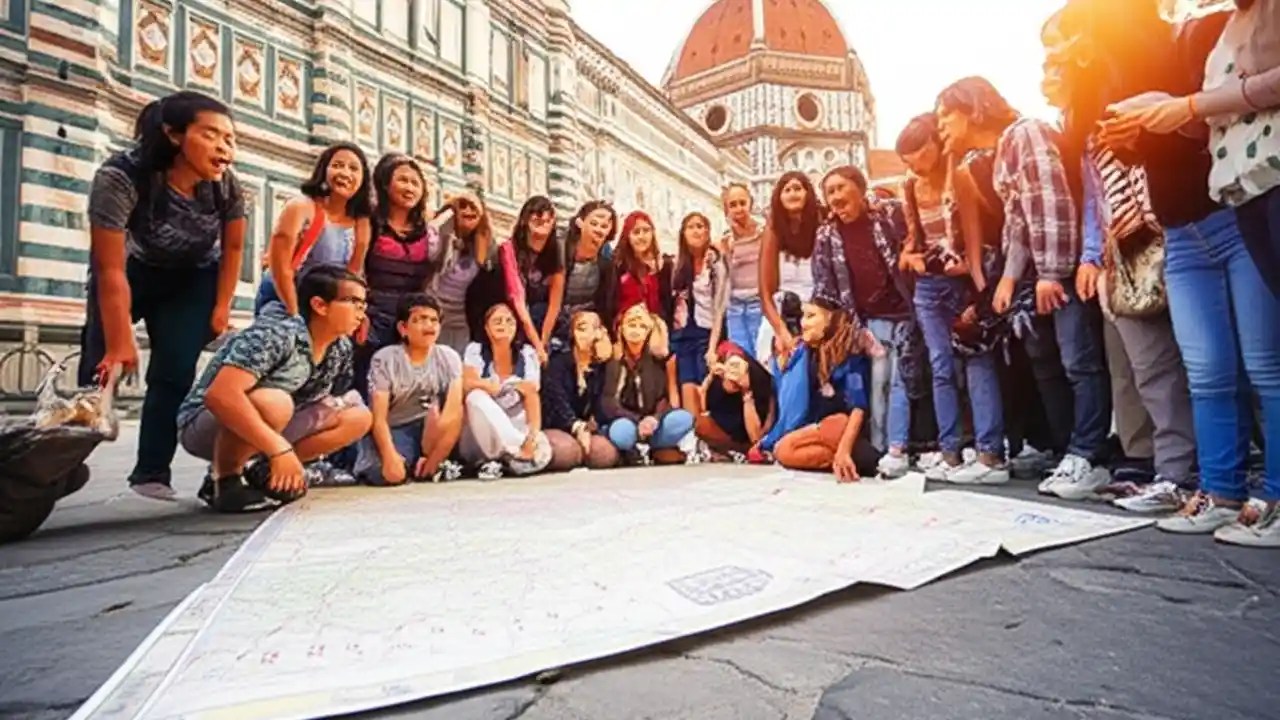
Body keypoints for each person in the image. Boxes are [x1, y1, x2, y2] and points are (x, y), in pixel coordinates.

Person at [1100, 8, 1280, 546]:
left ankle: (1272, 494)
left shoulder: (1226, 23)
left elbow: (1229, 106)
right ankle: (1221, 491)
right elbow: (1203, 125)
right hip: (1184, 225)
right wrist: (1147, 130)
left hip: (1237, 205)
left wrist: (1179, 109)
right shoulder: (1213, 32)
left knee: (1266, 365)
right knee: (1206, 373)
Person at [1049, 1, 1197, 509]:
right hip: (1126, 248)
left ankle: (1236, 470)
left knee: (1214, 360)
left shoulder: (1171, 56)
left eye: (1066, 41)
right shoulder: (1087, 114)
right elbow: (1096, 196)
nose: (1062, 54)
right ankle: (1175, 472)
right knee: (1152, 364)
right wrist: (1093, 255)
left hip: (1184, 229)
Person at [80, 91, 246, 499]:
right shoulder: (121, 176)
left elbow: (234, 248)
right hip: (131, 271)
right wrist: (120, 339)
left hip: (192, 278)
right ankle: (61, 457)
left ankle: (152, 470)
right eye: (212, 135)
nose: (225, 148)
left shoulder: (225, 186)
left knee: (174, 370)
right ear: (174, 135)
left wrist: (222, 307)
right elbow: (109, 267)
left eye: (230, 138)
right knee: (100, 366)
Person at [1103, 0, 1280, 297]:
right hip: (1250, 191)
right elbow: (1225, 120)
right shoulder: (1229, 28)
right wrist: (1160, 112)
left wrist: (1191, 107)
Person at [176, 265, 372, 512]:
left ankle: (263, 471)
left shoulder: (340, 347)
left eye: (364, 305)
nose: (361, 313)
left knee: (358, 416)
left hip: (275, 421)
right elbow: (220, 396)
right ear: (320, 305)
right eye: (353, 302)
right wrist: (279, 448)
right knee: (275, 402)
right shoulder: (276, 334)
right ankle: (224, 479)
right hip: (205, 423)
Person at [813, 165, 923, 478]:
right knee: (878, 383)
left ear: (861, 190)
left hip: (905, 311)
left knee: (903, 380)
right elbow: (825, 285)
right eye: (829, 191)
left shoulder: (888, 216)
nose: (835, 197)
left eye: (840, 188)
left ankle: (899, 448)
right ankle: (880, 448)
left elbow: (912, 242)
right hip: (866, 321)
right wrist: (844, 328)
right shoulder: (826, 235)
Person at [759, 297, 882, 482]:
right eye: (803, 316)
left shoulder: (849, 355)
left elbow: (858, 408)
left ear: (831, 319)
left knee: (789, 446)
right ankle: (846, 461)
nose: (803, 323)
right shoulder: (806, 354)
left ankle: (848, 455)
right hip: (818, 429)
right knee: (784, 452)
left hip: (843, 426)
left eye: (811, 316)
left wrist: (844, 449)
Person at [355, 294, 463, 485]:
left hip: (434, 428)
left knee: (452, 410)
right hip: (396, 427)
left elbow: (454, 412)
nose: (429, 325)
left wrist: (434, 458)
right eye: (420, 320)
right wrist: (389, 456)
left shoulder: (449, 357)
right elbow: (378, 418)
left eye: (434, 320)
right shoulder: (385, 359)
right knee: (385, 474)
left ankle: (428, 462)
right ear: (403, 328)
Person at [354, 154, 439, 397]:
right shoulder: (370, 221)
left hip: (410, 318)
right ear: (384, 183)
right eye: (403, 180)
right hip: (374, 313)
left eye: (415, 182)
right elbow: (356, 268)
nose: (410, 187)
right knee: (368, 380)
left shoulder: (426, 231)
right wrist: (360, 312)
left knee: (404, 384)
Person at [257, 142, 373, 316]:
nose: (345, 173)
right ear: (323, 171)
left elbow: (352, 275)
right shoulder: (301, 208)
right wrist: (294, 312)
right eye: (337, 165)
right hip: (283, 298)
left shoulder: (361, 223)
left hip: (325, 307)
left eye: (353, 168)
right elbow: (279, 266)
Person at [459, 302, 553, 478]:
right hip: (481, 432)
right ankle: (517, 450)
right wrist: (488, 386)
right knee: (475, 396)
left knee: (543, 446)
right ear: (487, 328)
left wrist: (533, 434)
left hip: (514, 425)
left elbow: (531, 394)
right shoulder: (475, 350)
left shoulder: (527, 353)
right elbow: (468, 382)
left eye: (509, 321)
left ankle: (512, 457)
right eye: (498, 321)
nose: (504, 325)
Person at [600, 304, 695, 463]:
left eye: (641, 326)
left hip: (653, 422)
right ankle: (632, 450)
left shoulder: (658, 359)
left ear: (649, 332)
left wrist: (654, 419)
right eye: (631, 325)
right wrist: (638, 421)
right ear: (622, 329)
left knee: (683, 419)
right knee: (621, 433)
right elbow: (609, 403)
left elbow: (665, 398)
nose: (636, 330)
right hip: (627, 420)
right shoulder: (614, 359)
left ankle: (653, 448)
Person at [541, 311, 621, 471]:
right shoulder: (559, 363)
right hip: (557, 424)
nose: (585, 335)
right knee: (568, 452)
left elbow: (603, 402)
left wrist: (593, 423)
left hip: (586, 426)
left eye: (592, 329)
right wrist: (576, 426)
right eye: (581, 329)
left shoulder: (601, 366)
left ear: (599, 332)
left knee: (605, 454)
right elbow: (556, 402)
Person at [670, 212, 730, 415]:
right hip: (683, 332)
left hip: (707, 331)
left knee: (704, 386)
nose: (696, 231)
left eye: (700, 226)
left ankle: (707, 435)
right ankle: (691, 436)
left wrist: (713, 347)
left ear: (707, 231)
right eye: (691, 227)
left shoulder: (716, 265)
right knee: (687, 384)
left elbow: (720, 307)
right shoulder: (677, 265)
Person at [757, 171, 820, 366]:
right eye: (787, 190)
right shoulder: (773, 230)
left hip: (817, 314)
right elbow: (765, 293)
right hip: (782, 314)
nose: (793, 193)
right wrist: (781, 331)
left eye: (798, 188)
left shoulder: (822, 225)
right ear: (779, 197)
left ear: (808, 193)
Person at [500, 196, 563, 363]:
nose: (543, 220)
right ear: (525, 219)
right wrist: (537, 346)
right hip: (517, 318)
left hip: (543, 320)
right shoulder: (509, 249)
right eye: (537, 215)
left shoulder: (556, 251)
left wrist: (543, 342)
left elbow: (554, 304)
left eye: (548, 218)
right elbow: (518, 300)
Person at [431, 191, 494, 354]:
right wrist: (449, 210)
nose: (467, 211)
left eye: (473, 207)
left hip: (461, 322)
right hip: (433, 316)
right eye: (462, 206)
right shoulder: (442, 236)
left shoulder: (485, 248)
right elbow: (430, 242)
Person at [696, 341, 775, 456]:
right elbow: (703, 408)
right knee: (700, 424)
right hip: (723, 421)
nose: (734, 383)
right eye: (731, 381)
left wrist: (746, 394)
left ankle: (738, 449)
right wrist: (710, 378)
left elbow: (756, 438)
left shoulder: (759, 382)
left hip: (746, 424)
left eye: (735, 382)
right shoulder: (716, 378)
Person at [609, 210, 674, 329]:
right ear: (628, 236)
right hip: (626, 330)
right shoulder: (617, 265)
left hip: (656, 331)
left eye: (646, 231)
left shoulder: (664, 266)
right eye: (636, 232)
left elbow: (668, 305)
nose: (641, 236)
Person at [720, 183, 765, 351]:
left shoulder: (763, 233)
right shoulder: (726, 240)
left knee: (762, 358)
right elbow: (727, 278)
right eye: (733, 205)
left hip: (759, 303)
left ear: (750, 204)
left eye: (742, 203)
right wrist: (725, 254)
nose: (738, 209)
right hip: (735, 306)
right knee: (738, 357)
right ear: (726, 210)